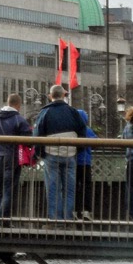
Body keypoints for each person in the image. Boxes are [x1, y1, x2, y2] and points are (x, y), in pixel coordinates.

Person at [32, 84, 88, 220]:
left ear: (50, 96)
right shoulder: (73, 112)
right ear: (64, 95)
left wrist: (38, 154)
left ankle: (55, 219)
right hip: (70, 155)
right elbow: (83, 132)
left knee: (53, 189)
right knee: (69, 189)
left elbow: (37, 134)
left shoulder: (45, 112)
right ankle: (68, 219)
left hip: (51, 155)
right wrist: (76, 150)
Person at [0, 92, 32, 220]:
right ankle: (5, 220)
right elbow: (28, 139)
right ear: (18, 105)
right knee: (9, 189)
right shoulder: (19, 119)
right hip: (12, 156)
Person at [73, 109, 98, 220]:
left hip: (73, 162)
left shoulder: (73, 131)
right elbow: (96, 142)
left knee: (73, 187)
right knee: (86, 186)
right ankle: (86, 211)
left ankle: (74, 210)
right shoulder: (87, 130)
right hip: (85, 163)